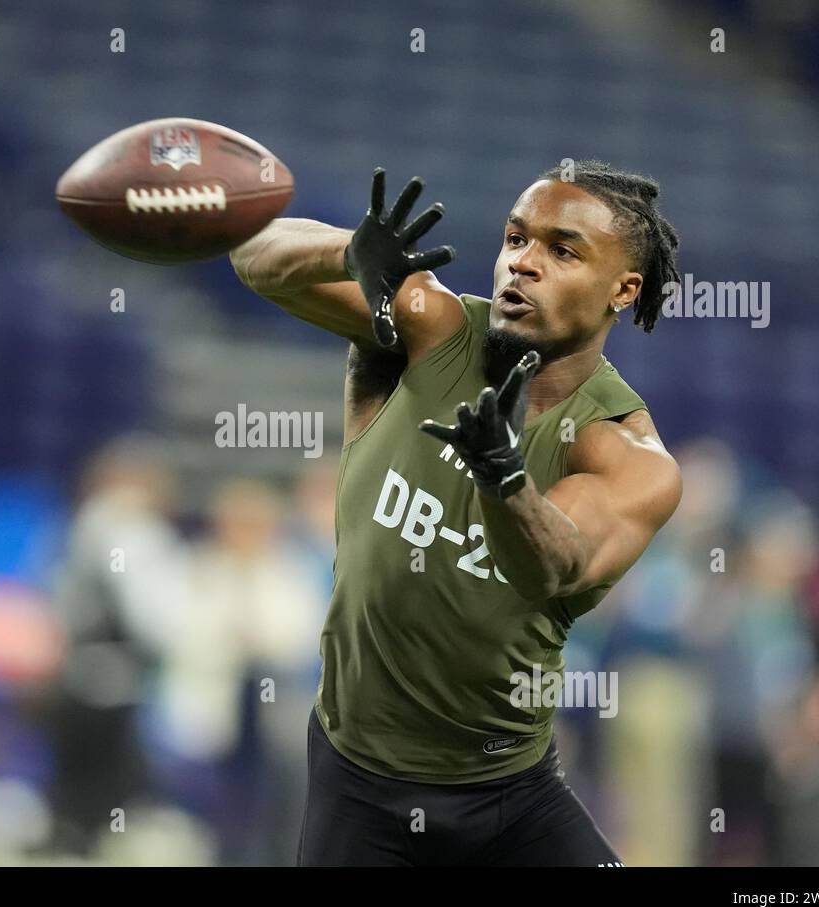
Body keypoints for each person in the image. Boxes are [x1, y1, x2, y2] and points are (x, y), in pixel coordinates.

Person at [230, 160, 684, 865]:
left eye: (562, 251)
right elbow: (253, 253)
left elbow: (553, 566)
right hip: (357, 785)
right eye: (515, 238)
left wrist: (505, 479)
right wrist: (346, 250)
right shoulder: (432, 330)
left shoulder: (627, 455)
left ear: (624, 289)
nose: (523, 264)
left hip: (506, 799)